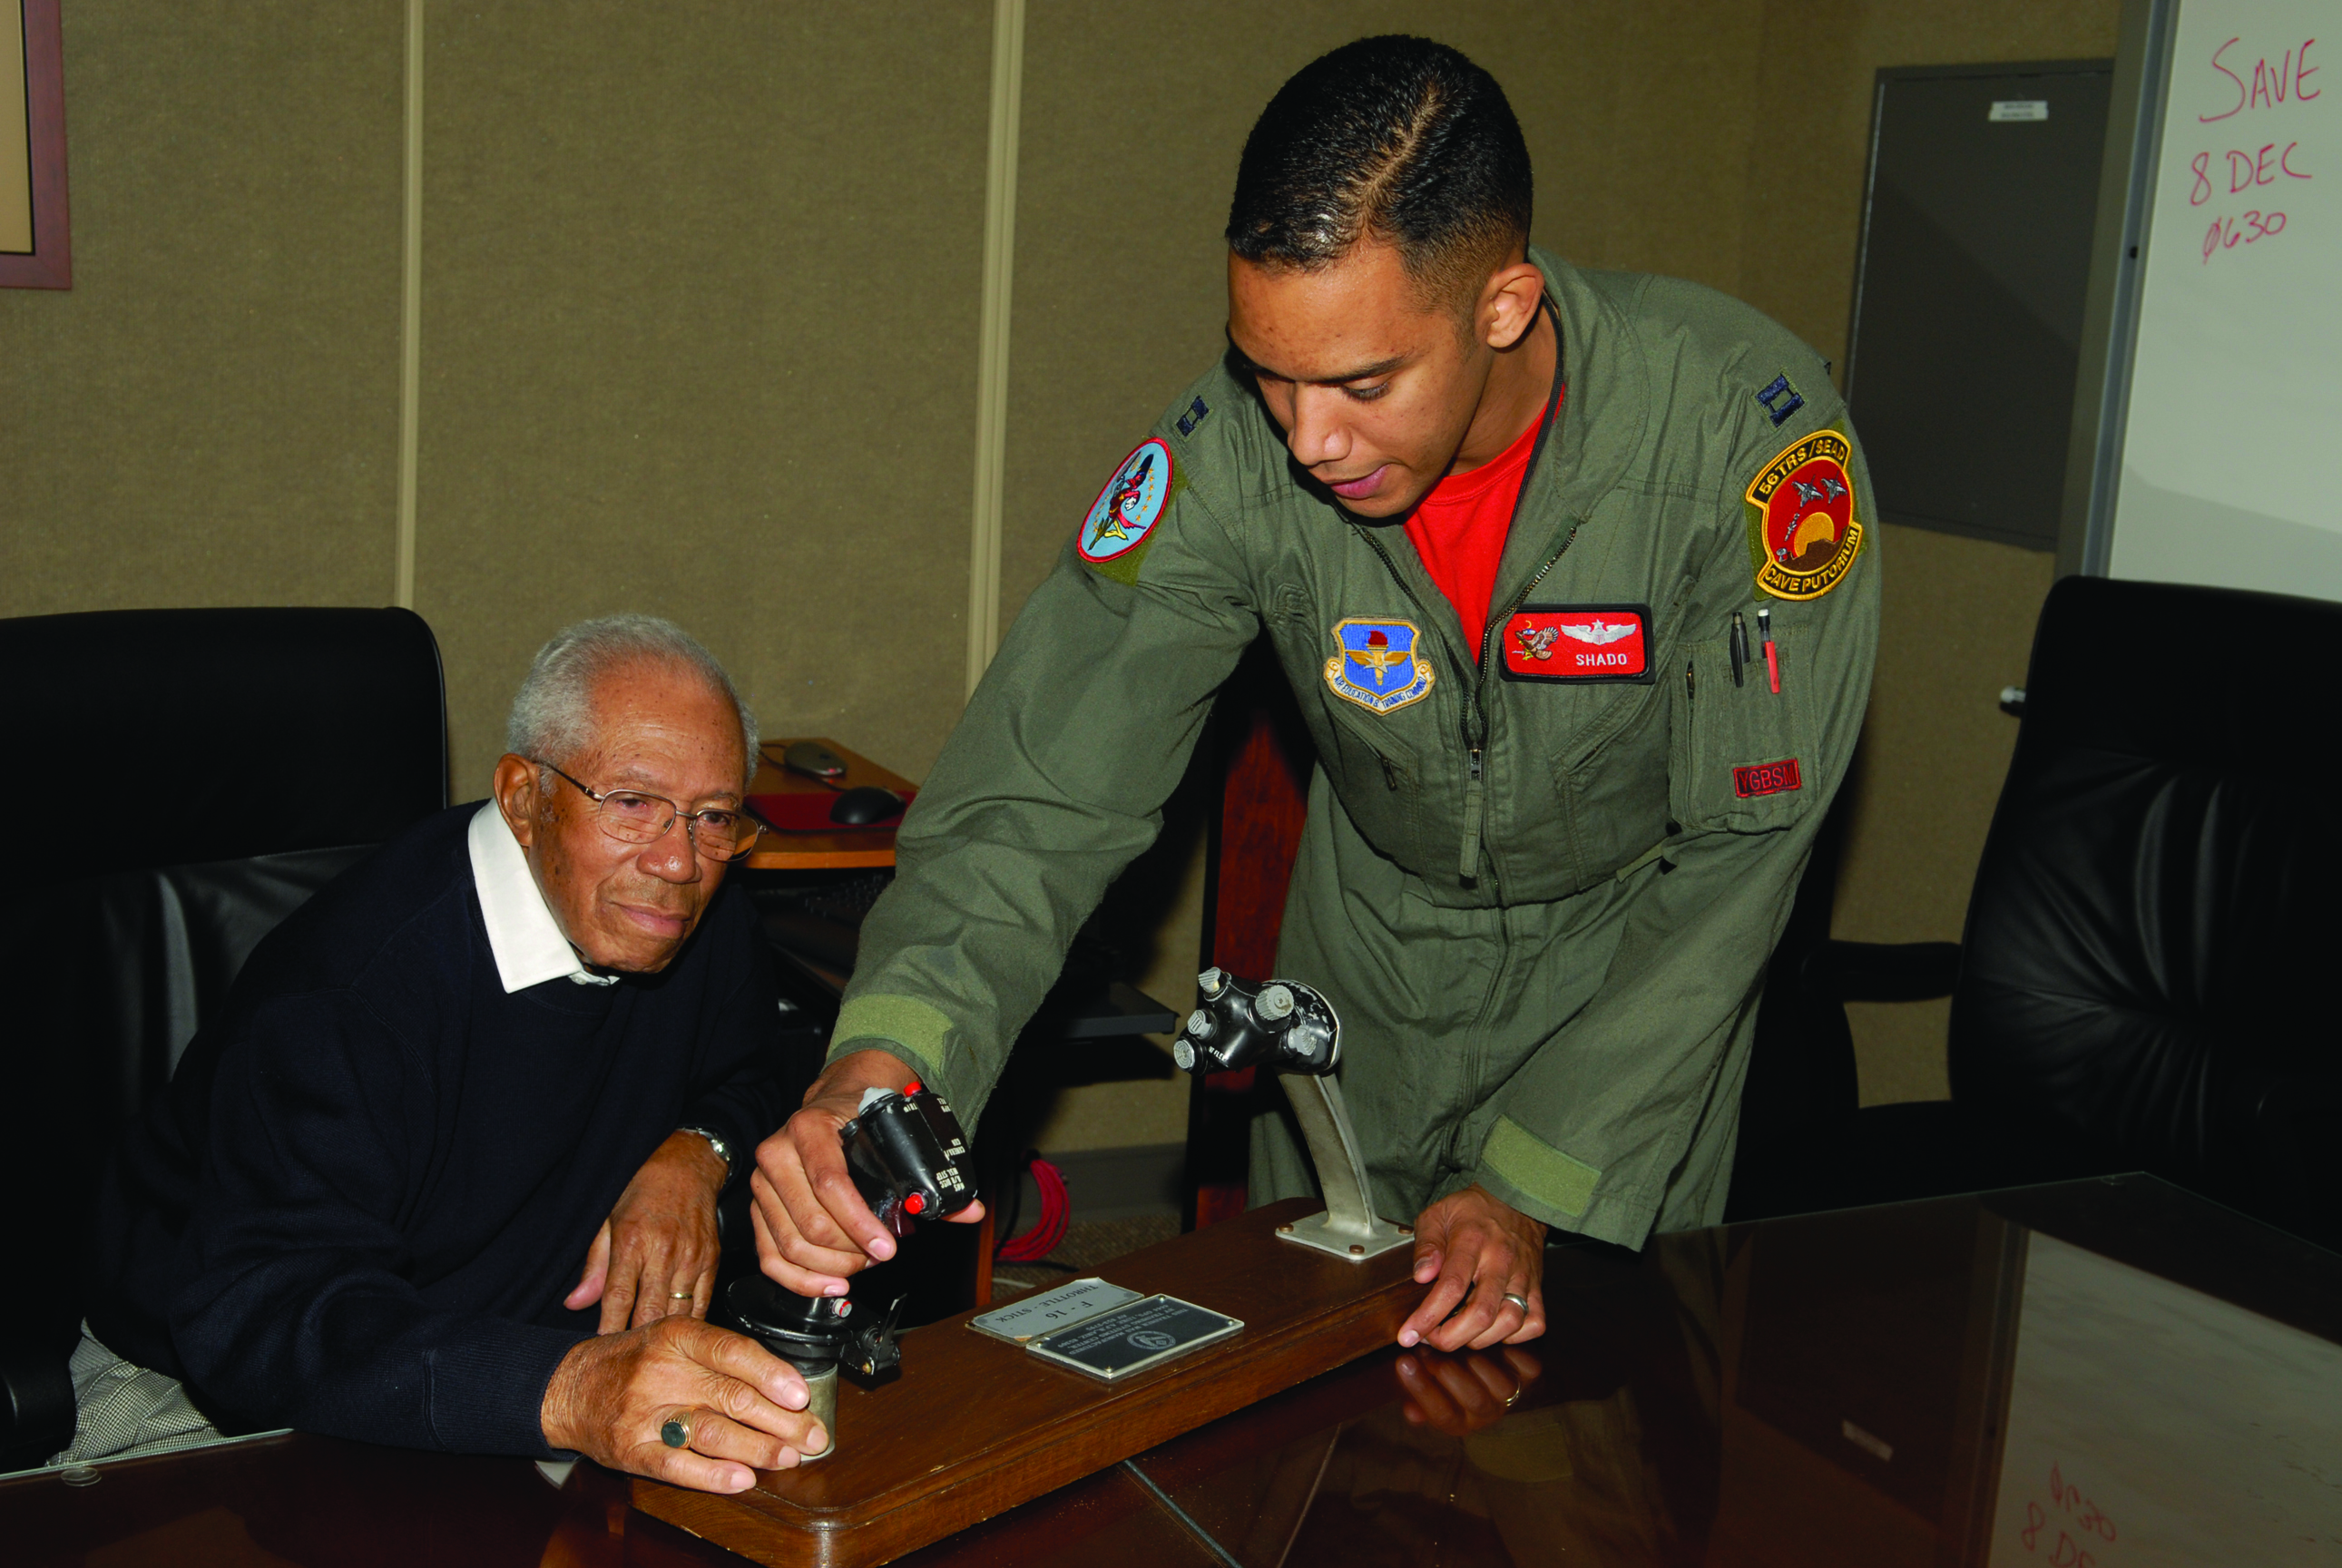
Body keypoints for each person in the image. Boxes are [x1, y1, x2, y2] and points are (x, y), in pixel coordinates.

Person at [751, 37, 1877, 1356]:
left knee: (1589, 1464)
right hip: (1367, 997)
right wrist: (886, 1056)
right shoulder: (1234, 454)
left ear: (1503, 305)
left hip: (1629, 1008)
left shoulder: (1742, 445)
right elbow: (1043, 795)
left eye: (1358, 384)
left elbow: (1738, 866)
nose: (1307, 440)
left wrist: (1535, 1183)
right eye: (1266, 372)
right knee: (1317, 1424)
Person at [74, 615, 824, 1493]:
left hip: (510, 1382)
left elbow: (762, 1067)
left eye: (714, 816)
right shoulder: (345, 1001)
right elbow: (262, 1315)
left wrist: (696, 1155)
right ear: (522, 797)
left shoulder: (698, 913)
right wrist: (570, 1391)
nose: (677, 861)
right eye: (631, 804)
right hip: (216, 1407)